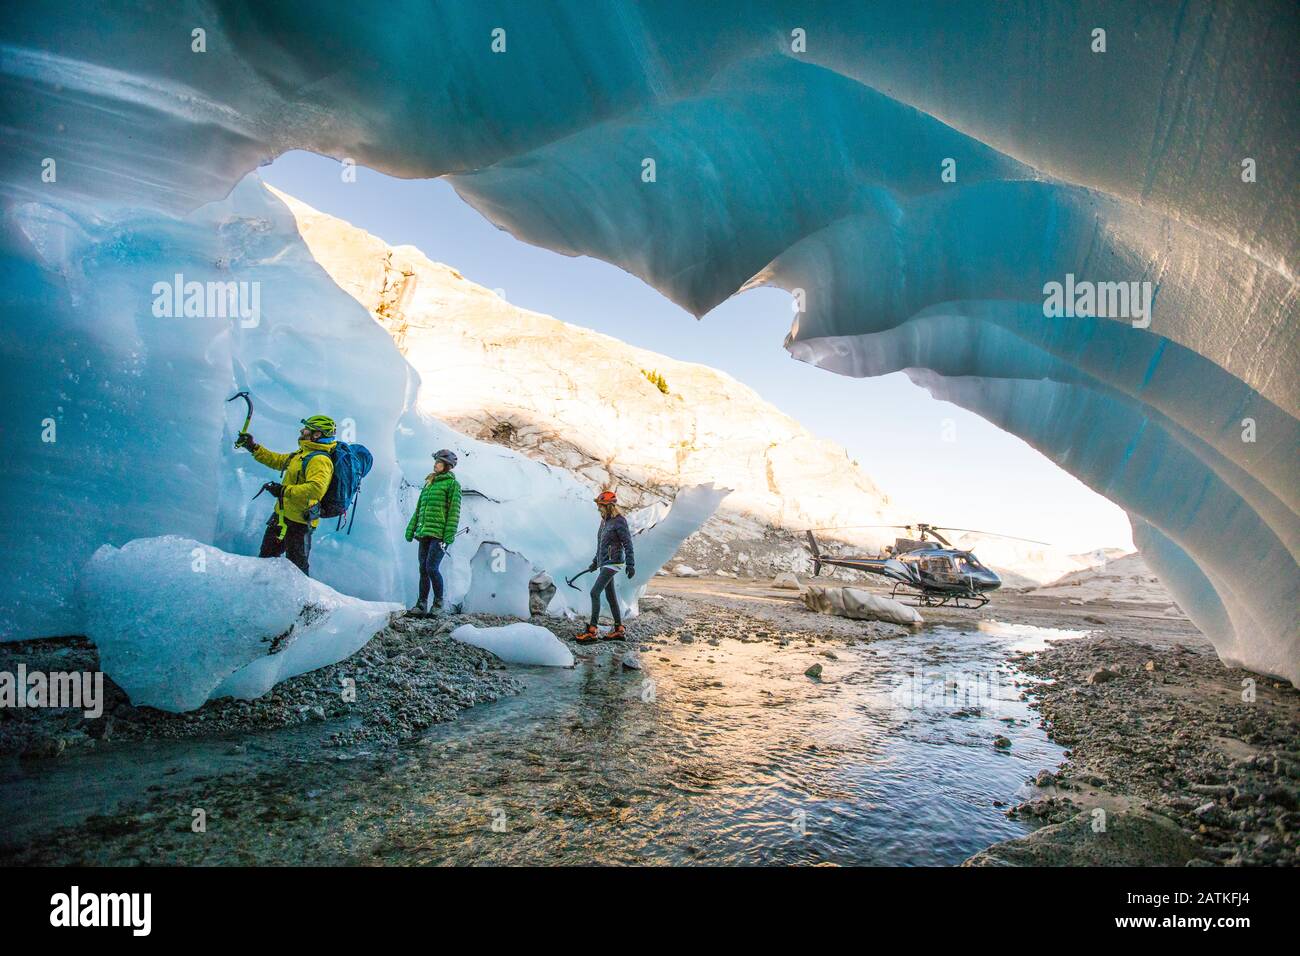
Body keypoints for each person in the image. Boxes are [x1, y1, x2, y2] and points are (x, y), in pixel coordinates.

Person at [235, 415, 336, 577]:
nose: (302, 430)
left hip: (300, 523)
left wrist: (283, 491)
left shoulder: (319, 460)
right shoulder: (303, 453)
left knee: (297, 569)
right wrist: (253, 447)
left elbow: (316, 489)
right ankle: (262, 592)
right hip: (281, 517)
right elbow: (278, 461)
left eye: (307, 429)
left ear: (317, 434)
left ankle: (303, 602)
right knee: (266, 559)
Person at [404, 449, 462, 616]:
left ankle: (438, 603)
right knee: (423, 568)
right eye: (436, 461)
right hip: (424, 533)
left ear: (447, 466)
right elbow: (419, 509)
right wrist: (411, 529)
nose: (435, 464)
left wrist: (448, 536)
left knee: (431, 567)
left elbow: (453, 512)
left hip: (439, 535)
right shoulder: (430, 483)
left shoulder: (452, 485)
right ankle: (421, 605)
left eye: (439, 462)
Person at [576, 490, 635, 644]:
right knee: (610, 596)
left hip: (613, 562)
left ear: (608, 506)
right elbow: (601, 545)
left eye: (600, 505)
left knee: (594, 592)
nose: (598, 508)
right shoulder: (604, 522)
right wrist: (595, 562)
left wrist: (630, 564)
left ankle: (592, 630)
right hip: (605, 562)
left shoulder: (619, 521)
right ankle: (619, 629)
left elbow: (627, 542)